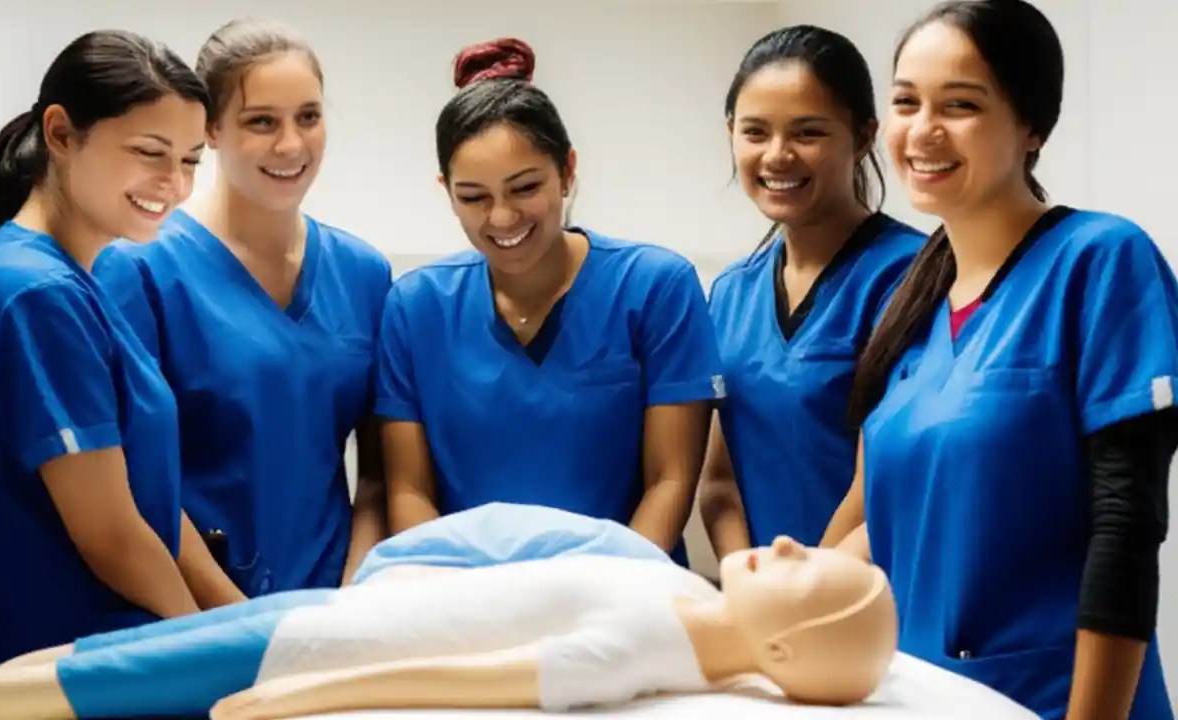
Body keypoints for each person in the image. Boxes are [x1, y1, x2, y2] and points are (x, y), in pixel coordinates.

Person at [823, 2, 1176, 718]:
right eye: (905, 102)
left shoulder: (1099, 260)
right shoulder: (908, 301)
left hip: (1053, 697)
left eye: (961, 105)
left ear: (1031, 126)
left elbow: (1126, 524)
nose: (923, 130)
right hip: (918, 693)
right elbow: (879, 517)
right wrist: (780, 592)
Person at [0, 529, 897, 720]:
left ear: (782, 651)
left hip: (314, 647)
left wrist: (307, 693)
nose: (790, 544)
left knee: (102, 684)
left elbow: (474, 681)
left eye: (807, 576)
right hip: (335, 610)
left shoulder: (641, 654)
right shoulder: (673, 597)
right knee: (105, 654)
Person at [0, 31, 217, 680]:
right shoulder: (33, 292)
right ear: (60, 132)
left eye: (192, 160)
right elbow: (113, 536)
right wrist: (209, 650)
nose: (174, 184)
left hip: (101, 661)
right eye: (149, 152)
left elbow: (151, 505)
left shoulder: (80, 280)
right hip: (51, 669)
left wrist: (243, 622)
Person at [376, 38, 724, 564]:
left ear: (567, 171)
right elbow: (409, 493)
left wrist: (599, 600)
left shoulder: (655, 286)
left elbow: (670, 481)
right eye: (473, 197)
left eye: (524, 187)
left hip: (627, 598)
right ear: (445, 190)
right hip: (468, 603)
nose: (501, 217)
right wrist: (461, 601)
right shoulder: (415, 307)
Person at [93, 18, 391, 596]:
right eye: (261, 122)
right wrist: (235, 623)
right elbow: (132, 488)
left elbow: (378, 476)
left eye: (308, 116)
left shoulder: (364, 274)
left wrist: (355, 603)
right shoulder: (140, 269)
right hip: (195, 614)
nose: (290, 144)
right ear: (210, 129)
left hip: (331, 610)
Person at [699, 25, 926, 559]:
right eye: (755, 132)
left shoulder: (914, 275)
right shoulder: (731, 293)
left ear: (865, 135)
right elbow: (718, 482)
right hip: (766, 604)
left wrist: (804, 589)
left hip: (871, 595)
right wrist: (749, 584)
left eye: (808, 133)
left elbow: (885, 482)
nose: (778, 155)